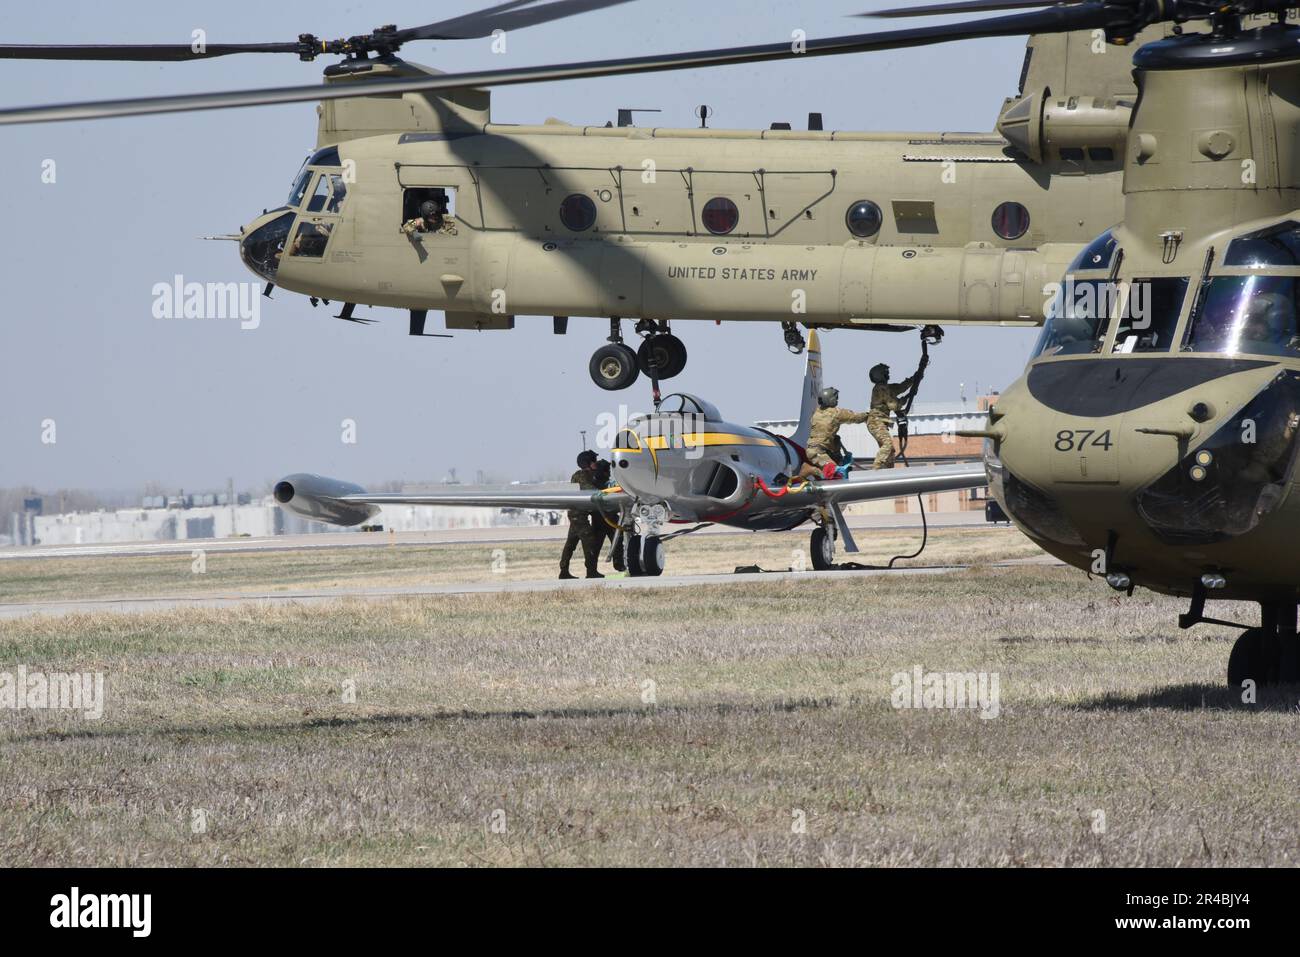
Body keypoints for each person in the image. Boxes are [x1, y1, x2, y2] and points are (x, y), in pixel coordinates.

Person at [795, 387, 871, 480]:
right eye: (836, 397)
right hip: (819, 452)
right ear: (831, 399)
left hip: (815, 450)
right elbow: (856, 417)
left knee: (835, 441)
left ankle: (817, 472)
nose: (837, 399)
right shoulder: (836, 413)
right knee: (836, 474)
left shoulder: (817, 412)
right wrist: (869, 415)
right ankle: (809, 469)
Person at [560, 450, 603, 580]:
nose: (596, 464)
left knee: (571, 543)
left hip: (577, 514)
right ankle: (591, 571)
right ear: (587, 463)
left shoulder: (585, 474)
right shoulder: (581, 475)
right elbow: (589, 489)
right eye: (594, 461)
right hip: (578, 515)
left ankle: (564, 571)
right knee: (589, 540)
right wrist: (604, 490)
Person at [868, 363, 918, 469]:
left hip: (879, 422)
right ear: (880, 375)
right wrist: (907, 397)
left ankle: (888, 471)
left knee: (890, 451)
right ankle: (876, 469)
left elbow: (899, 387)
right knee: (887, 445)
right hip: (876, 422)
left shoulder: (885, 387)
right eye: (885, 372)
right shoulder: (881, 388)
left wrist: (913, 379)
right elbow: (894, 405)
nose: (888, 374)